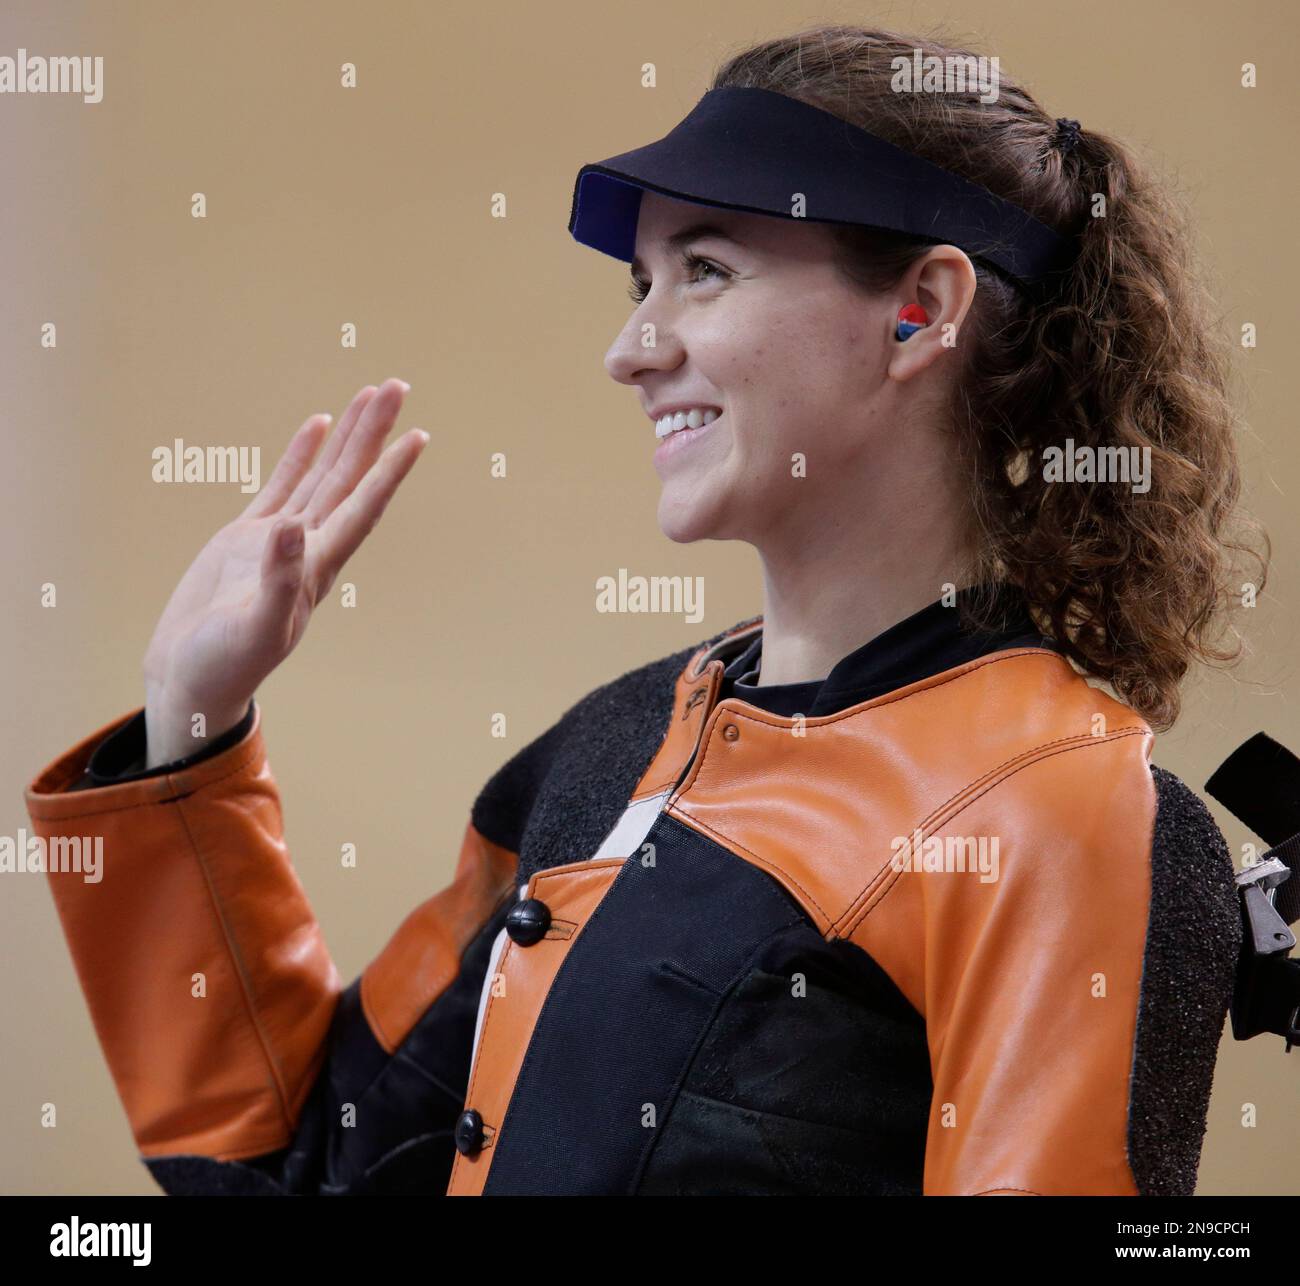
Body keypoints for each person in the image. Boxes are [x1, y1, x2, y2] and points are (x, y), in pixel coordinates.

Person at [24, 24, 1267, 1196]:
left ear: (918, 311)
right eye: (641, 284)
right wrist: (195, 716)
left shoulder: (1065, 813)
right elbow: (298, 1162)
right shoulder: (611, 744)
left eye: (706, 272)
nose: (632, 348)